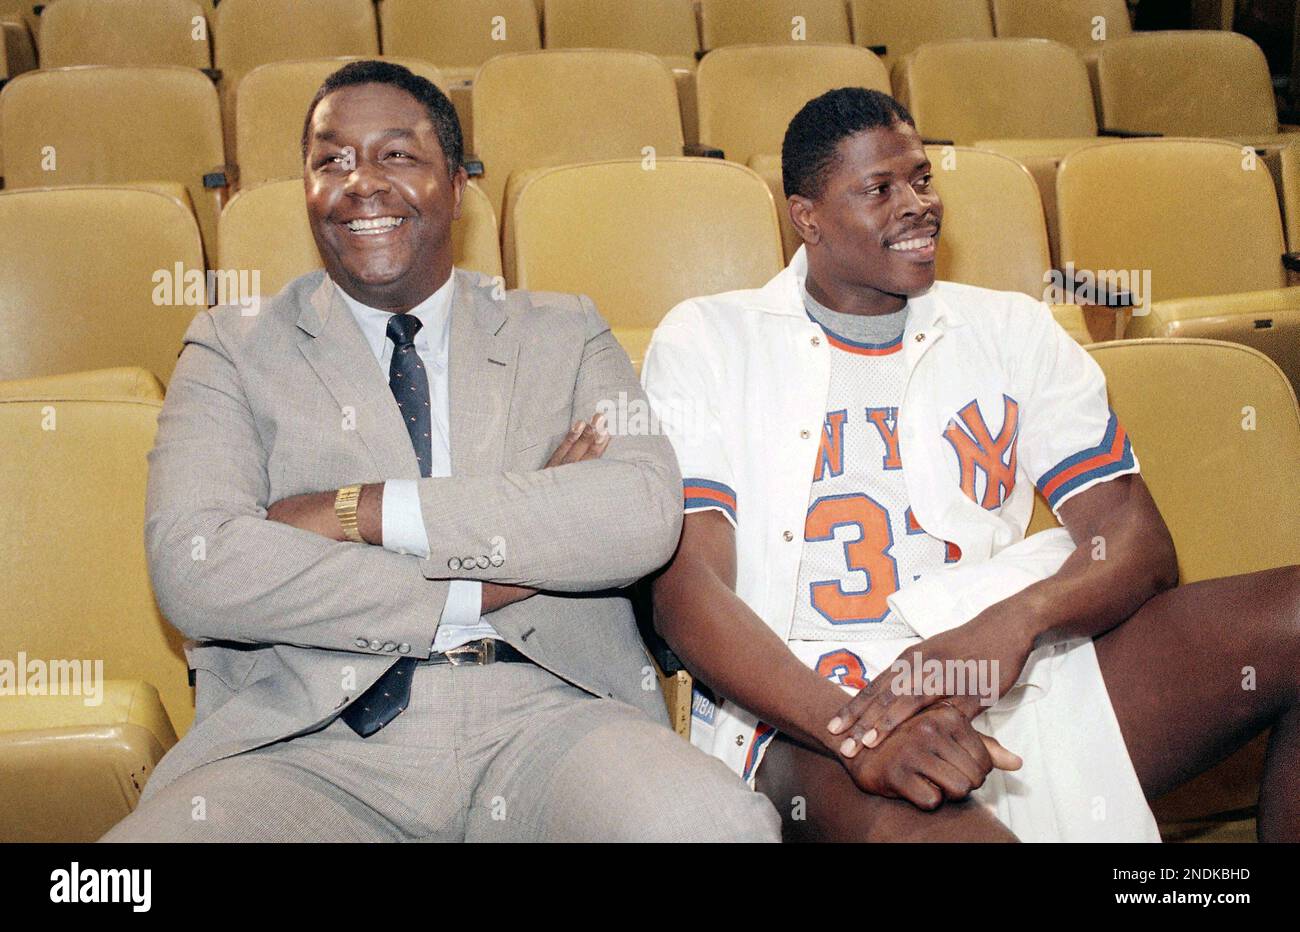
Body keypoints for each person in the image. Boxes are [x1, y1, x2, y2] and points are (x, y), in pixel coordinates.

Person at [102, 61, 778, 842]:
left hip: (554, 720)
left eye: (397, 155)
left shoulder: (564, 331)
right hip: (306, 743)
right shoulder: (233, 343)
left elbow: (639, 516)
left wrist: (358, 511)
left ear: (456, 187)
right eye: (331, 161)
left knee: (710, 829)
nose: (362, 182)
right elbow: (198, 566)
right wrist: (494, 576)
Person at [643, 87, 1300, 842]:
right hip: (804, 708)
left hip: (1002, 664)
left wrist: (1013, 626)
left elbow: (1136, 542)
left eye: (921, 179)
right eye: (879, 189)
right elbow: (687, 592)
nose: (917, 204)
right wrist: (859, 731)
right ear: (807, 218)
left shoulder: (1010, 327)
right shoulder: (710, 340)